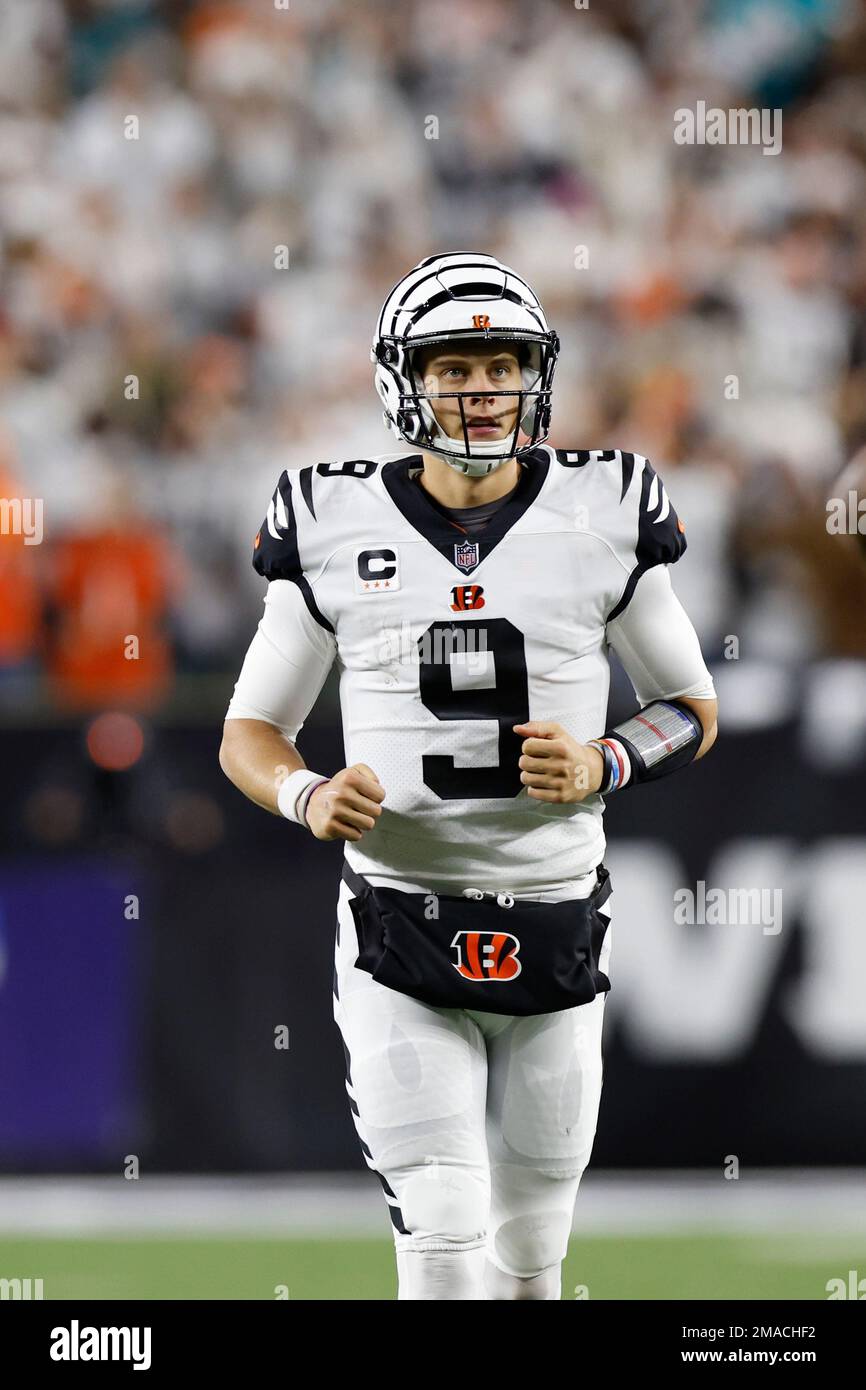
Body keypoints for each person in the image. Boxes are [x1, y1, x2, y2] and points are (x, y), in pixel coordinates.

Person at [220, 252, 718, 1300]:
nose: (482, 388)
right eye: (454, 367)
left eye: (502, 362)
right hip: (400, 918)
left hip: (554, 912)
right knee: (443, 1225)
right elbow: (250, 730)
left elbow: (691, 706)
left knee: (532, 1254)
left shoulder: (603, 508)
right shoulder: (329, 516)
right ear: (403, 379)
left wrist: (602, 757)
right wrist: (304, 792)